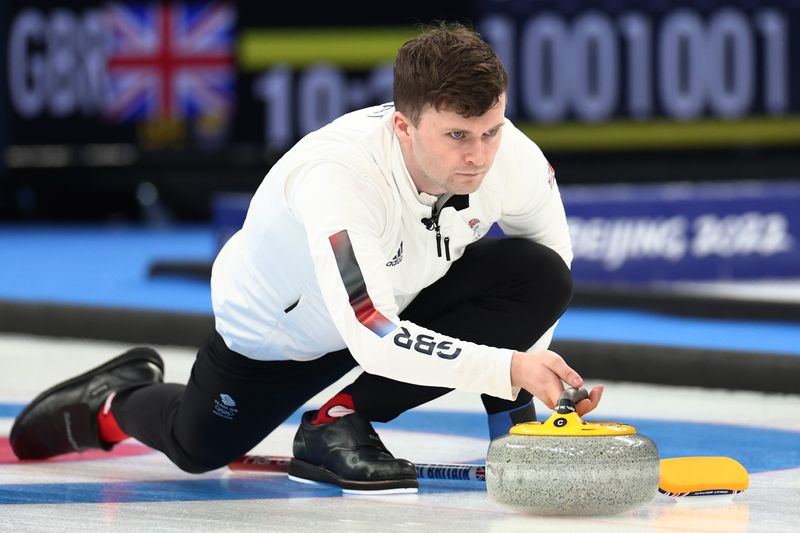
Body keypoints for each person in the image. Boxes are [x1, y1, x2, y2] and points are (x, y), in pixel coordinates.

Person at [11, 23, 603, 494]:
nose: (479, 157)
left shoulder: (512, 157)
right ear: (403, 125)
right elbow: (369, 331)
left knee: (540, 276)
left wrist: (521, 402)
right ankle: (111, 404)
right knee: (198, 449)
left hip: (400, 298)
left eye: (491, 131)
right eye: (457, 137)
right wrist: (506, 369)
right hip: (282, 334)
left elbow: (550, 262)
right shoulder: (339, 179)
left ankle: (336, 419)